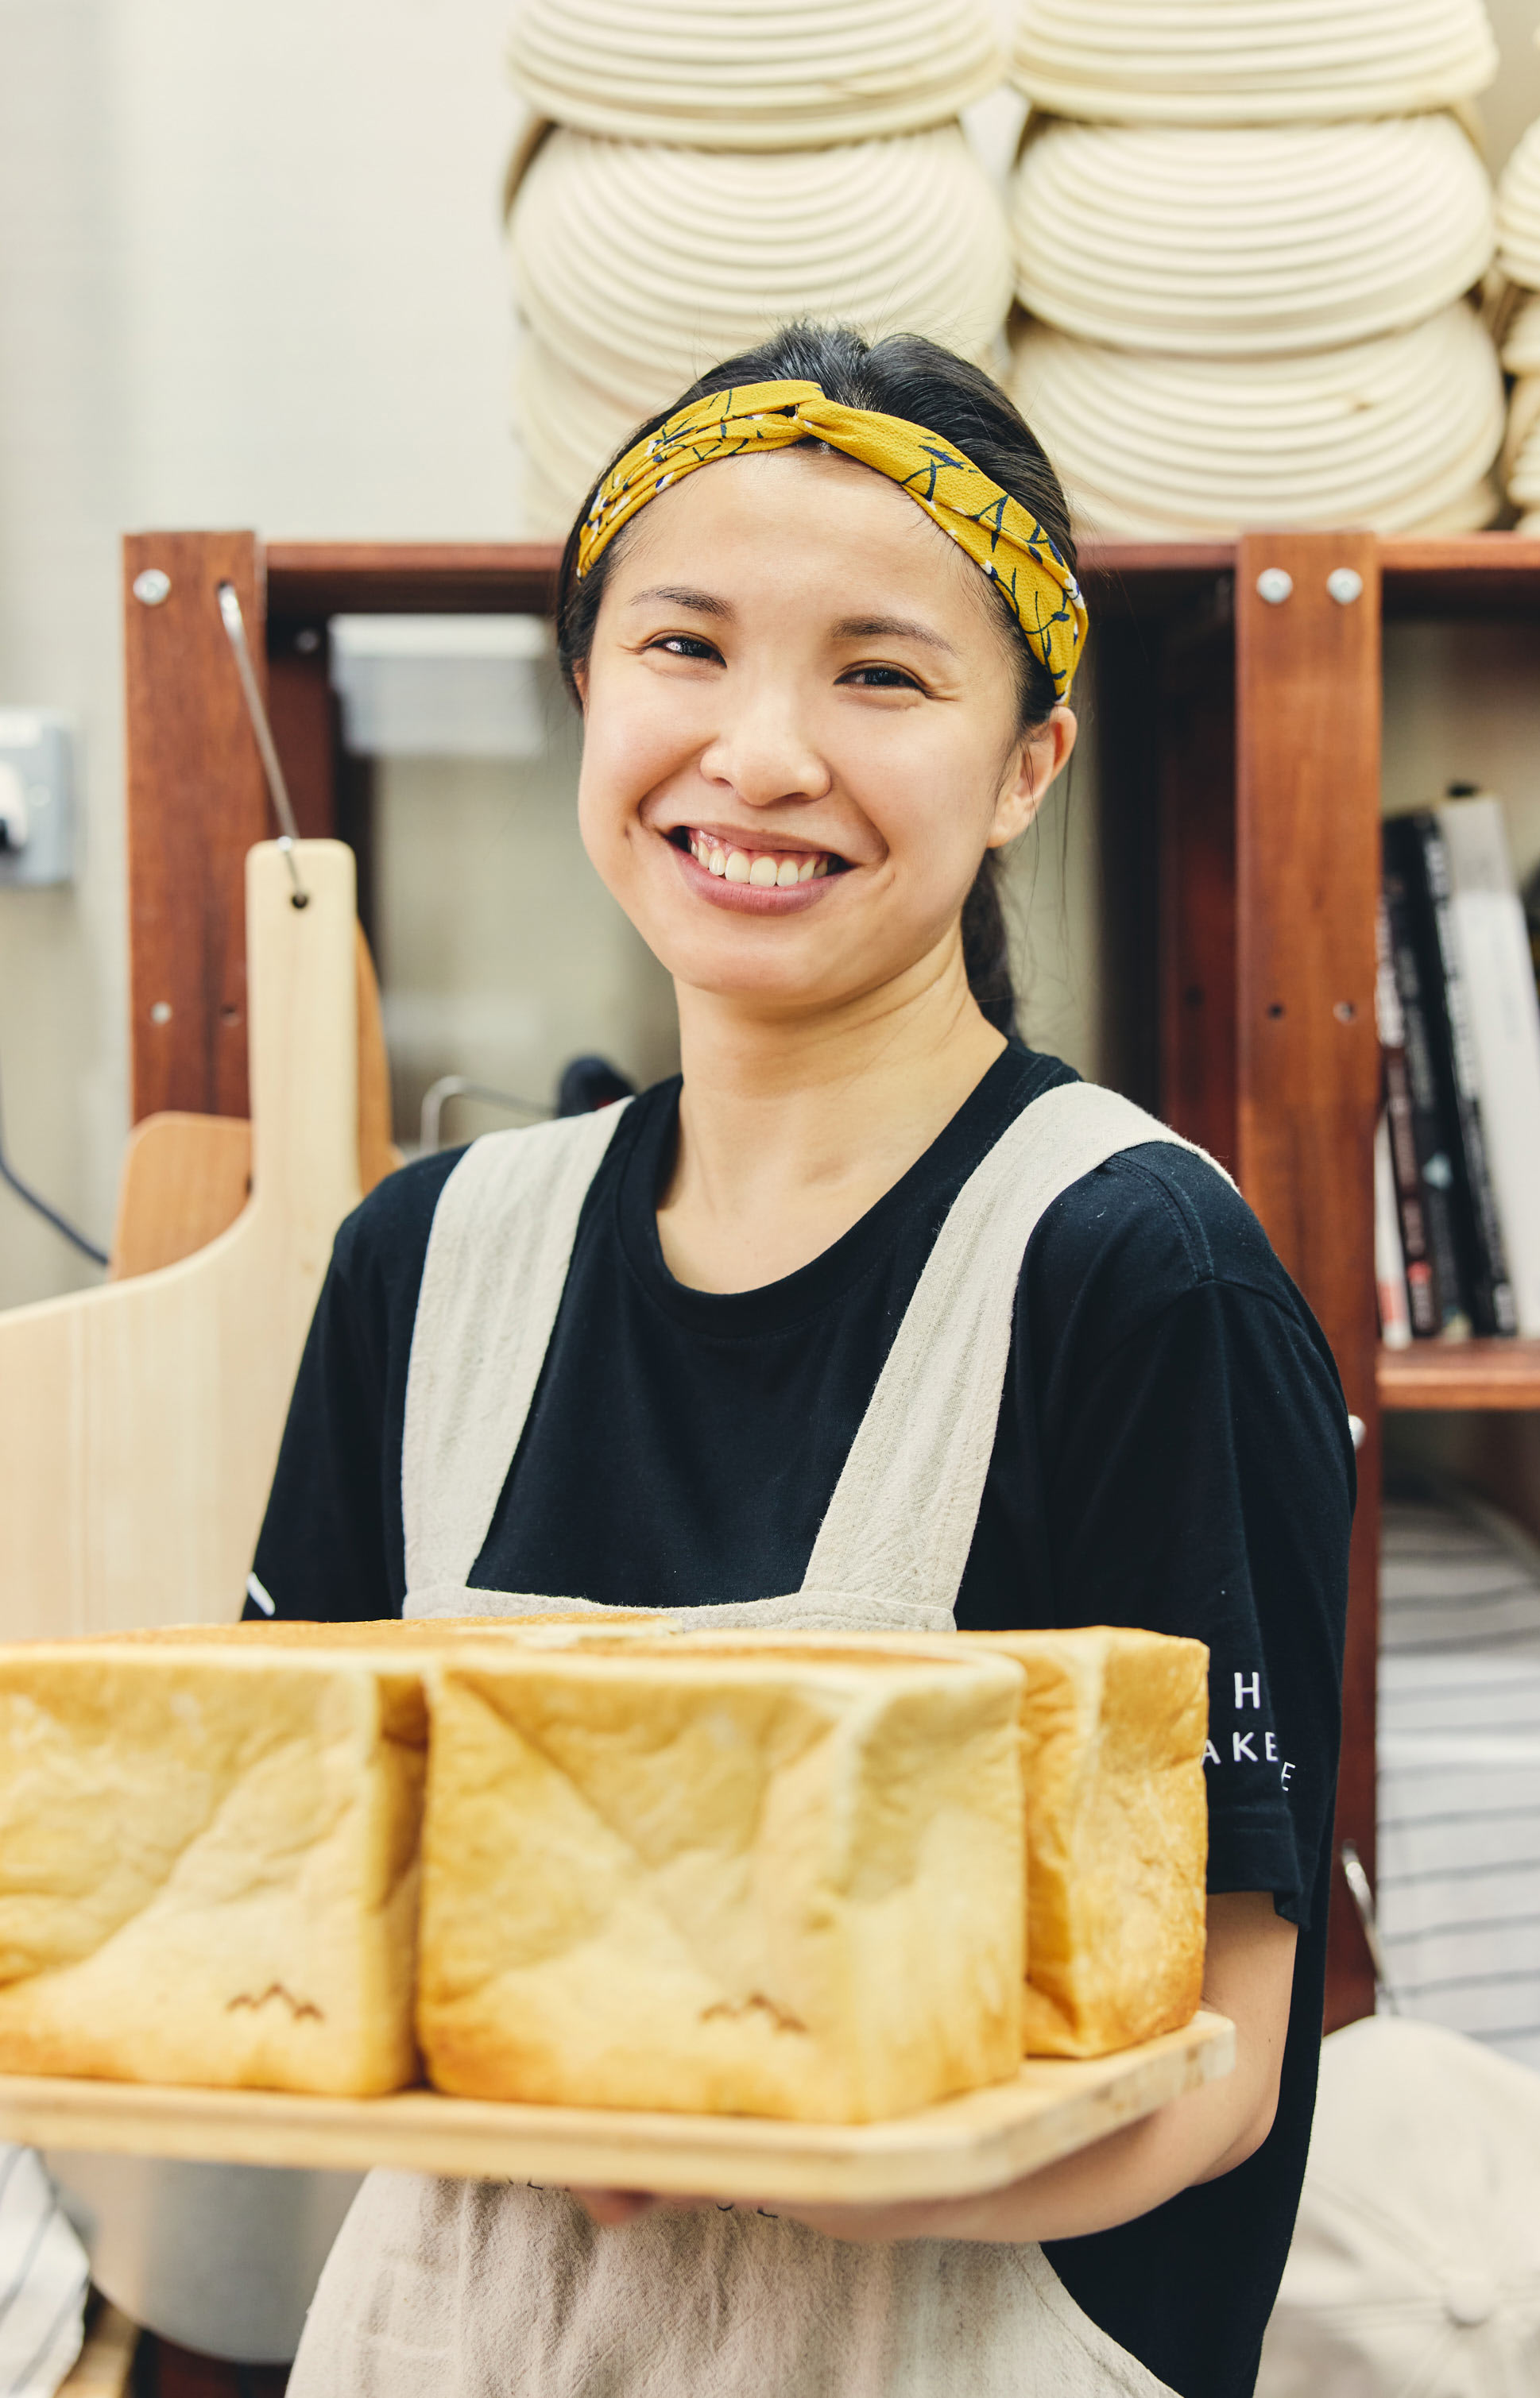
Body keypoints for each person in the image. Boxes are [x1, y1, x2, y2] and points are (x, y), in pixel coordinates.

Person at [263, 323, 1352, 2398]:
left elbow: (1222, 2045)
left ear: (1032, 756)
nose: (761, 754)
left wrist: (843, 2157)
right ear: (587, 685)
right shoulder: (422, 1263)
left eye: (881, 671)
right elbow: (300, 1904)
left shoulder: (1131, 1274)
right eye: (684, 645)